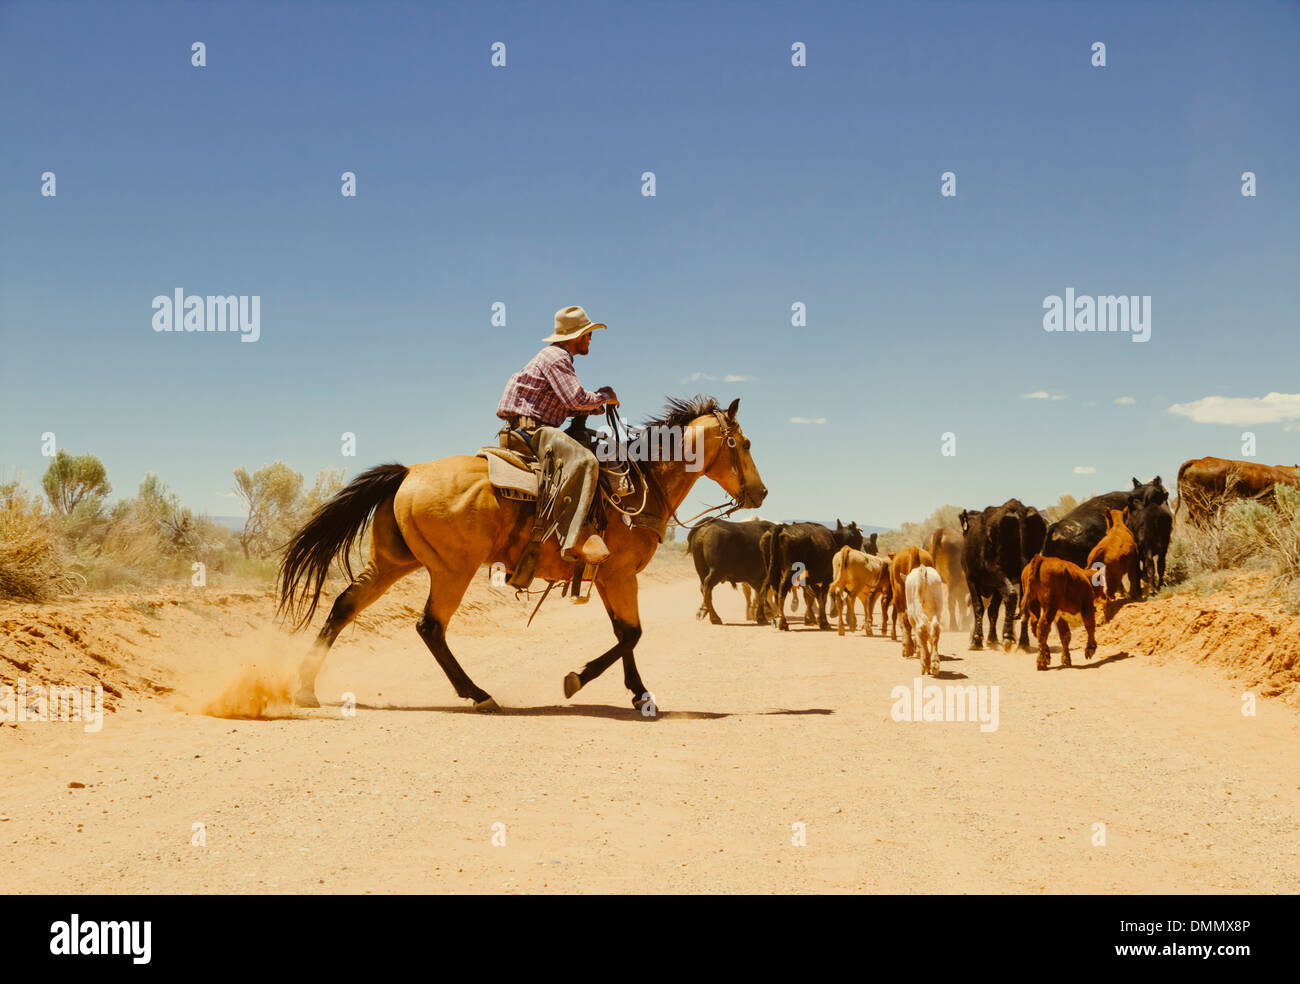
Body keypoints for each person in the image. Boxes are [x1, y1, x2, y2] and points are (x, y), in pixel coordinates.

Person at [496, 306, 619, 565]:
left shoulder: (556, 358)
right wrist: (606, 397)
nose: (590, 339)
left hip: (528, 427)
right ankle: (573, 537)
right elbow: (575, 398)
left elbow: (571, 402)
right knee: (586, 461)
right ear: (577, 336)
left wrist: (598, 404)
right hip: (534, 430)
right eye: (588, 334)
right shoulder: (557, 358)